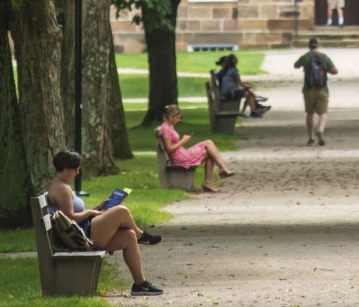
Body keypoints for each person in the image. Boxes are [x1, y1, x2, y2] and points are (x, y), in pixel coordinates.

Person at [47, 150, 164, 296]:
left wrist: (97, 208)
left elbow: (71, 215)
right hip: (80, 237)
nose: (78, 172)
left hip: (83, 230)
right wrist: (90, 213)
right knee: (121, 211)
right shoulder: (62, 188)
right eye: (76, 168)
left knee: (129, 235)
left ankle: (140, 284)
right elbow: (71, 218)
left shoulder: (61, 185)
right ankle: (142, 236)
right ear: (65, 168)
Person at [158, 105, 235, 194]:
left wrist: (182, 141)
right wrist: (183, 141)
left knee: (210, 152)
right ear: (171, 116)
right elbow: (169, 149)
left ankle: (208, 182)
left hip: (182, 154)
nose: (179, 120)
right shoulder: (166, 129)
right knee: (208, 143)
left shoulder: (169, 126)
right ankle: (222, 169)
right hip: (180, 158)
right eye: (178, 118)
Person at [294, 36, 337, 145]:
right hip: (322, 89)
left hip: (308, 89)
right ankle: (320, 129)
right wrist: (325, 69)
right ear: (318, 46)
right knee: (323, 113)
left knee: (310, 113)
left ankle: (311, 138)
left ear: (309, 46)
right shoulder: (324, 57)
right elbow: (335, 71)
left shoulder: (305, 57)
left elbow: (295, 65)